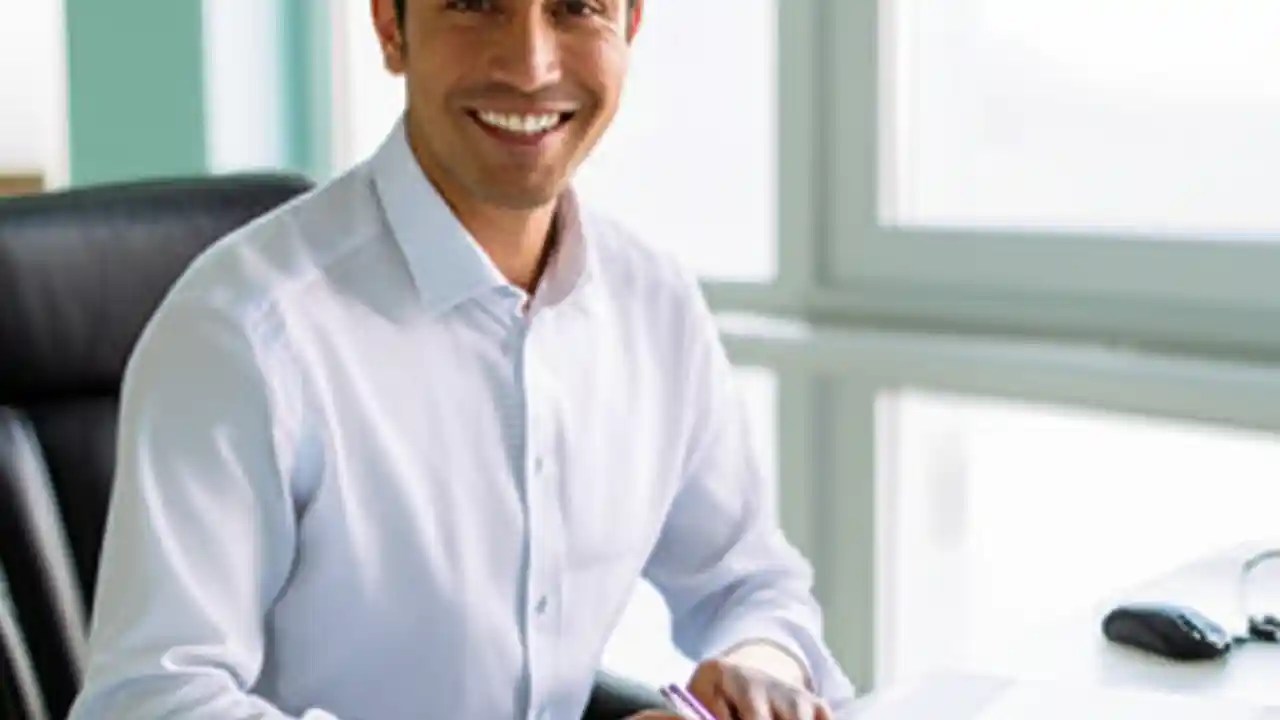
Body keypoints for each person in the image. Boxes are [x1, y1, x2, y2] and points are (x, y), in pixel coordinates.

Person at [69, 0, 857, 718]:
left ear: (630, 25)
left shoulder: (654, 305)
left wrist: (757, 673)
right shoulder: (245, 330)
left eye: (576, 9)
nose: (532, 66)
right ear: (391, 27)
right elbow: (149, 706)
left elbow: (752, 584)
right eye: (476, 6)